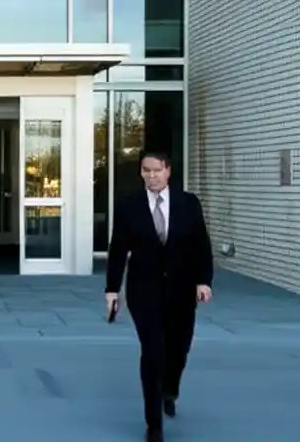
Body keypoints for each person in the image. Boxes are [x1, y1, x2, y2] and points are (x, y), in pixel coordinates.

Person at [105, 151, 213, 442]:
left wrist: (204, 281)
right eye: (145, 170)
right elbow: (118, 250)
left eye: (156, 170)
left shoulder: (188, 203)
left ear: (168, 171)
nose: (151, 176)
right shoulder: (129, 206)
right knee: (152, 351)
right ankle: (153, 423)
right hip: (144, 290)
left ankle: (170, 389)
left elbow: (201, 244)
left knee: (179, 348)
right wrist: (112, 289)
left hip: (181, 288)